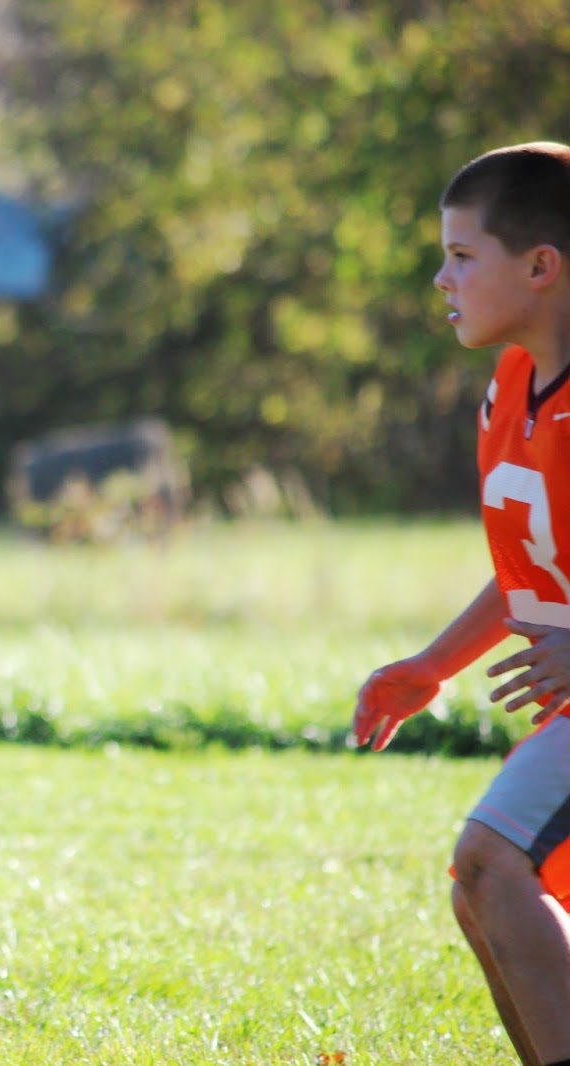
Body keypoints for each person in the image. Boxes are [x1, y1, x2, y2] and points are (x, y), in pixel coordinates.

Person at [353, 142, 570, 1066]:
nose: (441, 278)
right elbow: (530, 561)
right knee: (481, 883)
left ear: (540, 265)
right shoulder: (512, 388)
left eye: (460, 255)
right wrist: (432, 665)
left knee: (491, 862)